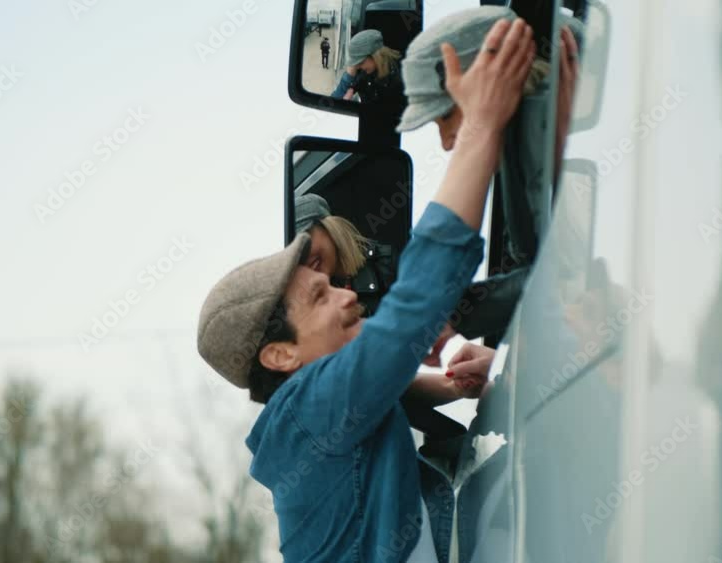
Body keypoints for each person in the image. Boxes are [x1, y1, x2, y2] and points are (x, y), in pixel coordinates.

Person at [196, 17, 535, 562]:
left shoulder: (310, 423)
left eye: (333, 283)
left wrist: (455, 384)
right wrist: (481, 129)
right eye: (320, 296)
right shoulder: (310, 409)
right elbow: (408, 316)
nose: (349, 295)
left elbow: (382, 383)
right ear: (280, 354)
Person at [398, 6, 582, 361]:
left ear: (491, 81)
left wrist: (447, 314)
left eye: (445, 116)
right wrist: (455, 316)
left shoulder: (539, 130)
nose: (447, 143)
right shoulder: (523, 140)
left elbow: (570, 277)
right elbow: (550, 275)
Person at [293, 193, 395, 317]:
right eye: (293, 255)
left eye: (303, 243)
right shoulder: (305, 298)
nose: (302, 259)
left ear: (328, 227)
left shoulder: (388, 264)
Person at [330, 29, 404, 105]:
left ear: (375, 56)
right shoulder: (368, 71)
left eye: (360, 62)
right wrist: (351, 87)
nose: (357, 67)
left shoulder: (399, 82)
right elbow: (333, 102)